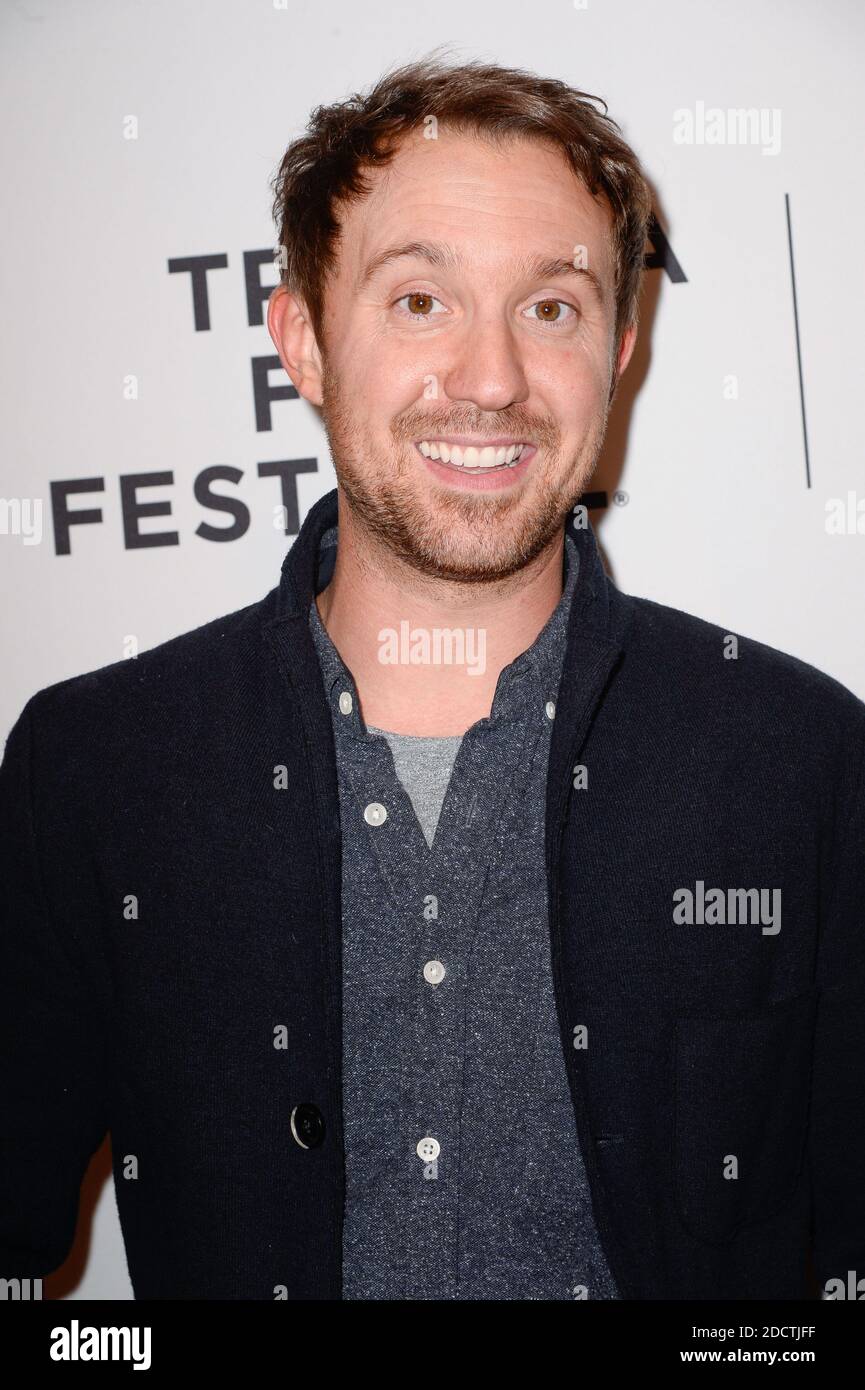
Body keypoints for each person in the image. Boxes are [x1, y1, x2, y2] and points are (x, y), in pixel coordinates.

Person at [1, 53, 863, 1301]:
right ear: (301, 338)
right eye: (420, 301)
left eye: (552, 307)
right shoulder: (94, 769)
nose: (492, 378)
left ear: (621, 346)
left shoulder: (803, 759)